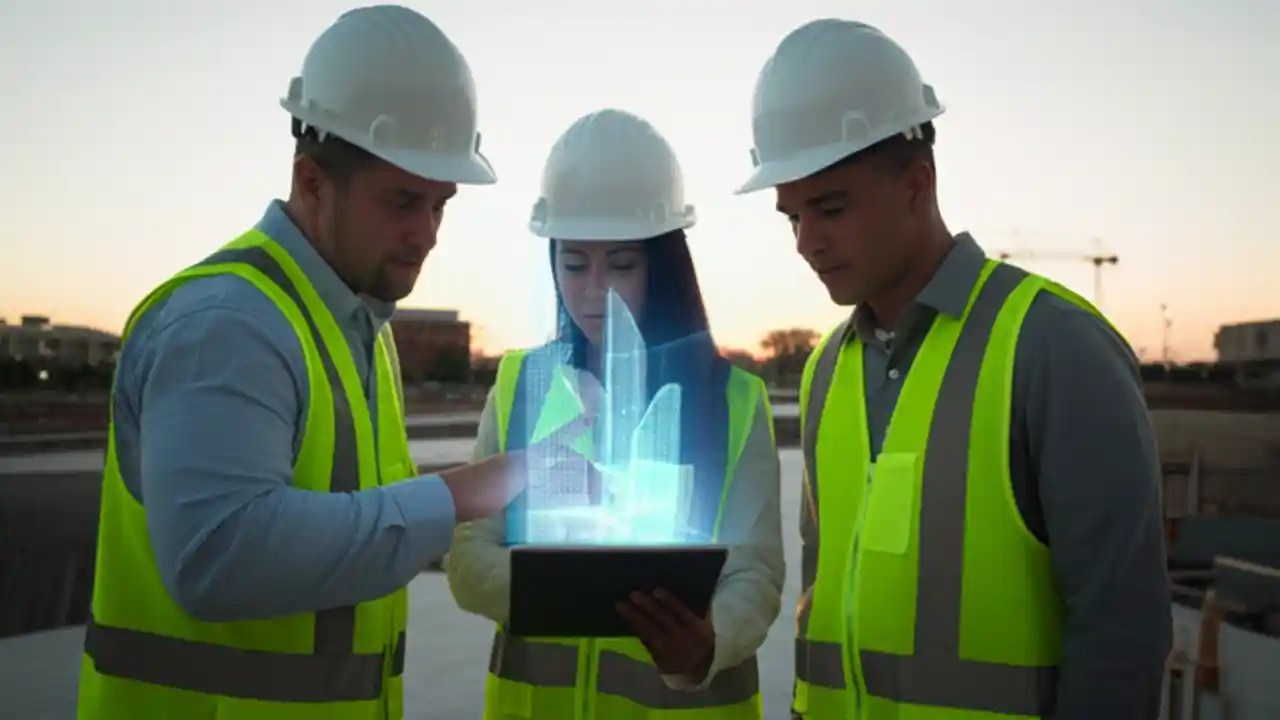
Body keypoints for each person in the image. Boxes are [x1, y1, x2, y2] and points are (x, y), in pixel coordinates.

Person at [75, 7, 588, 719]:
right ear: (312, 182)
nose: (427, 234)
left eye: (442, 205)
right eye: (403, 201)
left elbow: (356, 531)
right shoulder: (229, 323)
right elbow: (220, 558)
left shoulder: (359, 331)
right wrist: (479, 487)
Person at [735, 19, 1172, 720]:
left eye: (830, 209)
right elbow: (825, 605)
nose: (807, 242)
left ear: (917, 183)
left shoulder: (1054, 347)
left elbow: (1122, 634)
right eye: (791, 217)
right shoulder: (824, 370)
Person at [445, 108, 786, 719]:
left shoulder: (734, 401)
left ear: (663, 262)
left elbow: (755, 573)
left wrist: (704, 645)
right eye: (574, 263)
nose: (594, 287)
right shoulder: (523, 384)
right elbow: (470, 558)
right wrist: (575, 589)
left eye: (621, 264)